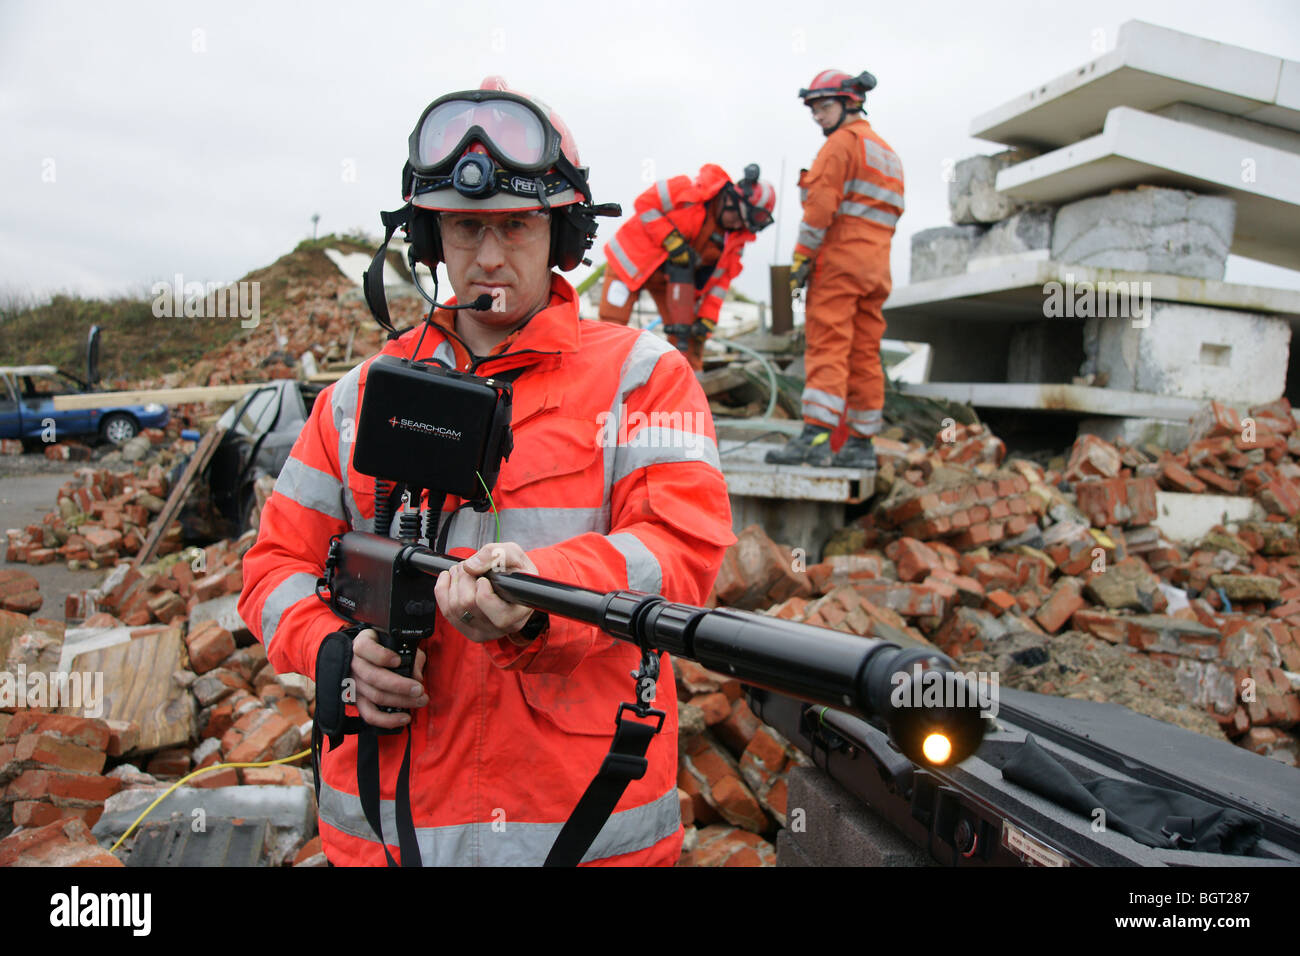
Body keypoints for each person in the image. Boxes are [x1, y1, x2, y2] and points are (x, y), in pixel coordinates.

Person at [237, 77, 735, 866]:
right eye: (464, 228)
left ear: (563, 235)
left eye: (516, 227)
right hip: (385, 837)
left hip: (583, 829)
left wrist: (542, 590)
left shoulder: (643, 378)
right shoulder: (354, 399)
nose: (490, 256)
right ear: (430, 242)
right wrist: (333, 651)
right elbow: (273, 566)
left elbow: (682, 554)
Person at [766, 69, 903, 469]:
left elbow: (819, 210)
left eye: (824, 107)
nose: (818, 117)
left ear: (850, 103)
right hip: (876, 268)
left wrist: (801, 259)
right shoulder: (888, 155)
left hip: (840, 264)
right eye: (813, 110)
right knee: (864, 353)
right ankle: (860, 445)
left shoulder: (841, 145)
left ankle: (816, 438)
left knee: (828, 344)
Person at [598, 164, 776, 371]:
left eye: (742, 225)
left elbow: (720, 284)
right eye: (736, 218)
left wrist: (708, 318)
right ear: (731, 200)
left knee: (688, 339)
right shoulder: (690, 190)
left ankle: (689, 392)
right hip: (630, 262)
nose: (737, 226)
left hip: (671, 281)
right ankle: (603, 384)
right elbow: (645, 203)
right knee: (611, 329)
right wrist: (670, 240)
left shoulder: (733, 242)